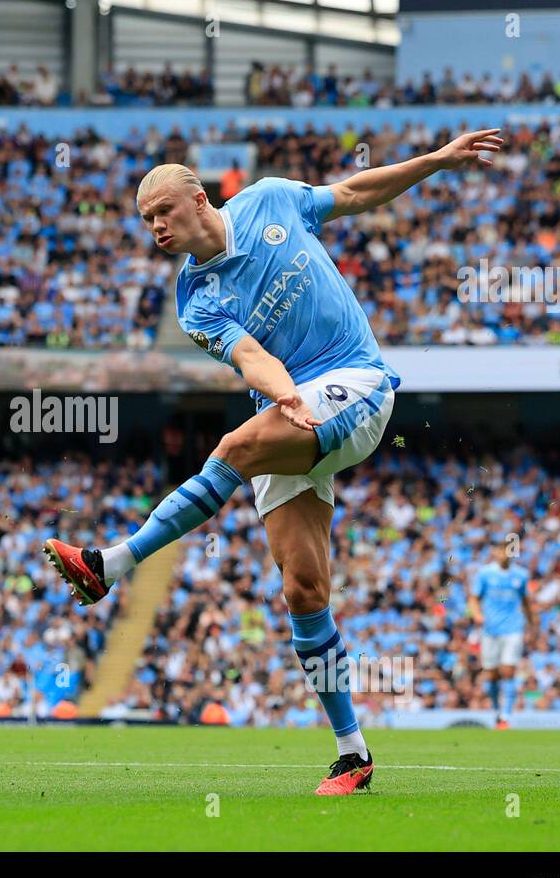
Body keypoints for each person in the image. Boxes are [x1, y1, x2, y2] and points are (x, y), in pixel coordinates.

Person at [44, 129, 505, 794]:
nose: (156, 227)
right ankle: (354, 754)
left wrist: (435, 161)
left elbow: (353, 191)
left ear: (198, 199)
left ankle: (111, 563)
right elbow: (249, 359)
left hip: (355, 383)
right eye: (146, 221)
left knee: (230, 447)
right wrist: (284, 391)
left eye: (164, 212)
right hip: (289, 414)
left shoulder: (270, 201)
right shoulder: (194, 298)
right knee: (304, 592)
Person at [467, 542, 533, 729]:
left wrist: (533, 625)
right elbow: (473, 598)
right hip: (490, 630)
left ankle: (506, 715)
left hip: (513, 629)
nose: (505, 553)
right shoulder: (485, 573)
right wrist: (477, 614)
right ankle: (497, 711)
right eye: (502, 549)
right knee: (492, 674)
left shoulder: (521, 575)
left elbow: (526, 602)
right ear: (495, 552)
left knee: (508, 671)